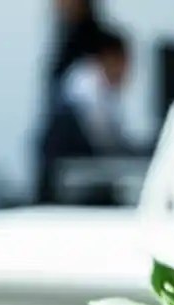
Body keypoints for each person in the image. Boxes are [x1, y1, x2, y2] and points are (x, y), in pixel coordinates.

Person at [36, 28, 133, 202]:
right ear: (110, 57)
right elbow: (103, 140)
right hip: (65, 179)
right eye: (125, 63)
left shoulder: (99, 87)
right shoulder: (85, 85)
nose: (128, 72)